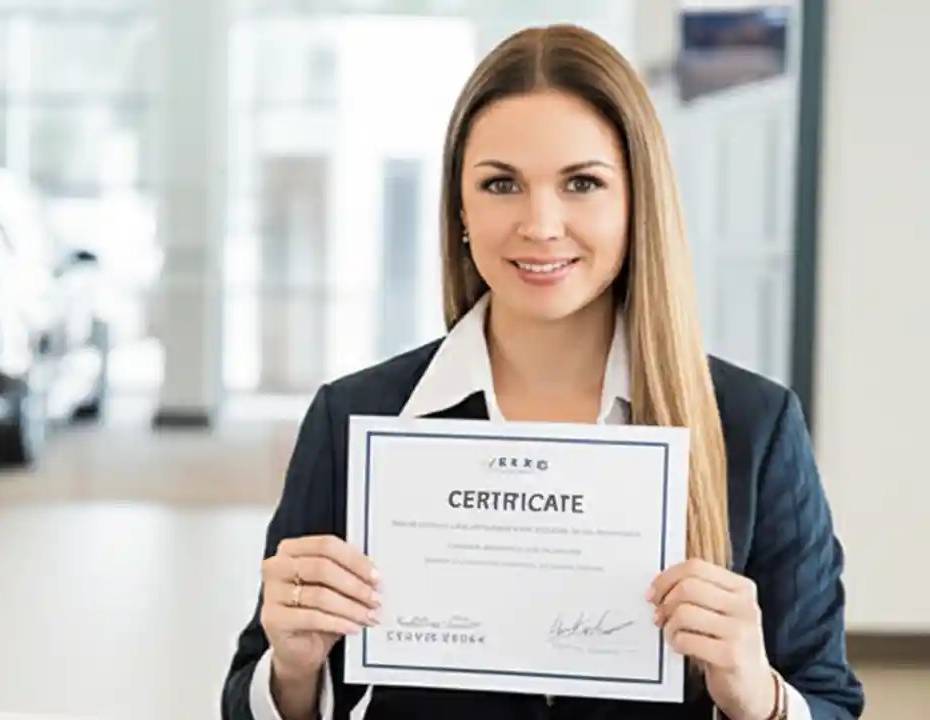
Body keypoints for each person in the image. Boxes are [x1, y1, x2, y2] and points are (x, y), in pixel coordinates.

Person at [221, 23, 864, 720]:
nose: (541, 223)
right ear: (460, 209)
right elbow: (247, 697)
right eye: (501, 184)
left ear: (635, 202)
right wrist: (291, 667)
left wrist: (756, 690)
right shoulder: (354, 420)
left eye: (582, 183)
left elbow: (828, 697)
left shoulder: (753, 426)